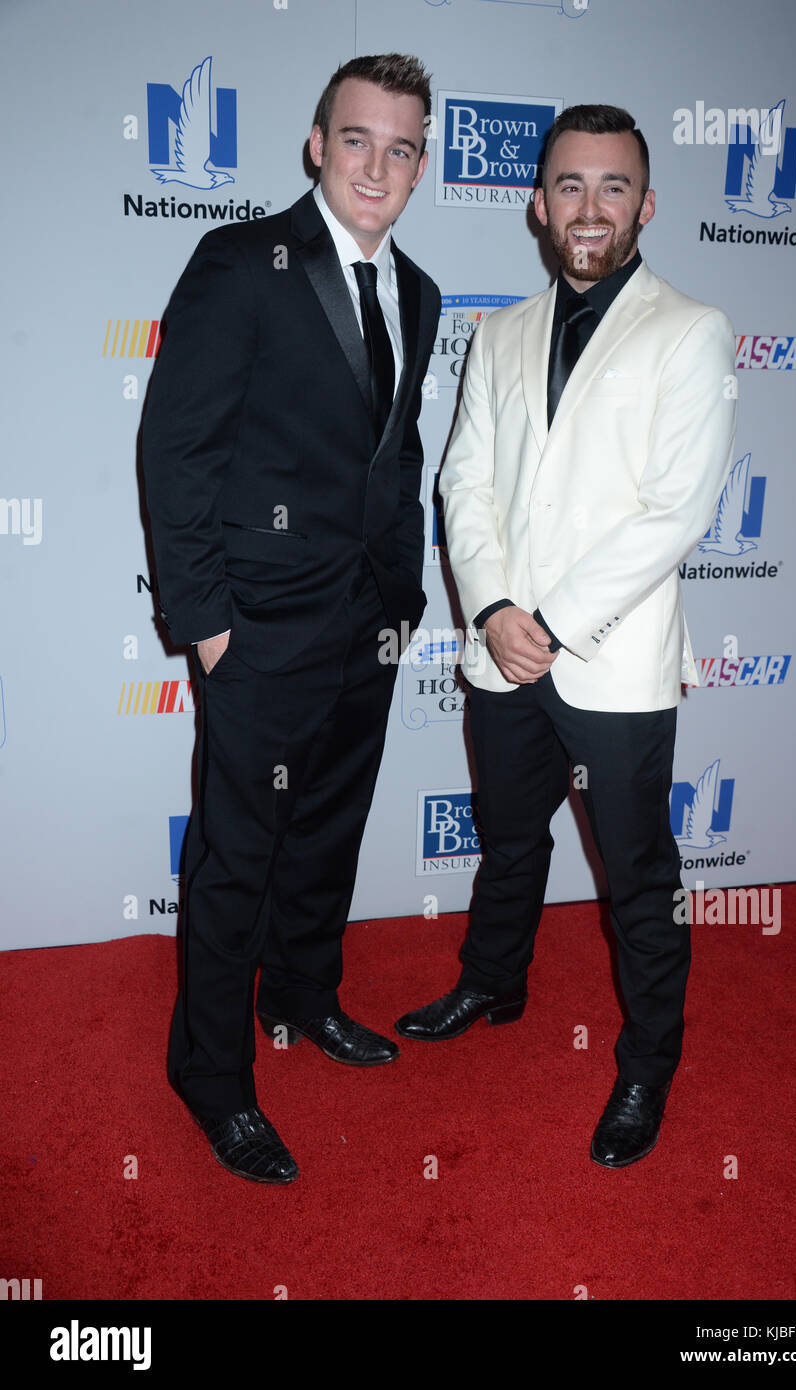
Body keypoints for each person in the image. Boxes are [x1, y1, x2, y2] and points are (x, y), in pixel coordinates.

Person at [396, 105, 737, 1168]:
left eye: (614, 187)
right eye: (570, 188)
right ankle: (495, 980)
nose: (590, 209)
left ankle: (646, 1063)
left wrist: (548, 623)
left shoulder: (690, 329)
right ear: (537, 205)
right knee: (507, 838)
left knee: (636, 875)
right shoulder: (497, 333)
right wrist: (495, 610)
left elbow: (675, 509)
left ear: (646, 204)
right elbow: (463, 482)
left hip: (613, 661)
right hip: (504, 655)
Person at [142, 54, 440, 1184]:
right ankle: (210, 1072)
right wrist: (207, 623)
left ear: (419, 165)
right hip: (259, 628)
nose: (376, 165)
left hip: (365, 624)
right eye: (356, 139)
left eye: (400, 147)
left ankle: (305, 993)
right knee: (235, 855)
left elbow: (395, 453)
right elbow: (175, 447)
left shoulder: (414, 291)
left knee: (328, 827)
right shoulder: (240, 262)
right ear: (317, 143)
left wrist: (402, 600)